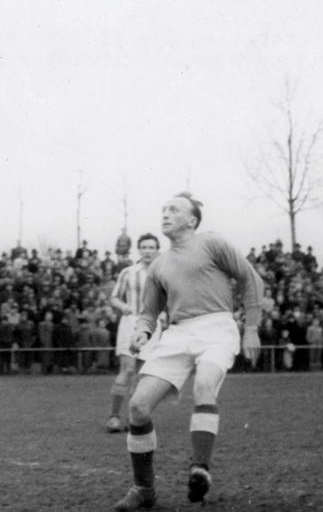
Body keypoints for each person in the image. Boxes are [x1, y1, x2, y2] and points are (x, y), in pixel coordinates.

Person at [112, 193, 262, 510]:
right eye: (163, 208)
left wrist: (251, 328)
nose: (165, 213)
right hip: (178, 333)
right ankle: (143, 489)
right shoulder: (159, 265)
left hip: (217, 327)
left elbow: (251, 278)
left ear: (191, 220)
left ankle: (200, 469)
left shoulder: (212, 243)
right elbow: (149, 311)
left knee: (205, 384)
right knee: (138, 406)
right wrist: (141, 330)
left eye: (174, 209)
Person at [105, 233, 162, 432]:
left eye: (151, 247)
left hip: (152, 326)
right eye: (144, 247)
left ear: (157, 250)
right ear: (139, 250)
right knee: (127, 369)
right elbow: (114, 298)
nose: (147, 251)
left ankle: (134, 417)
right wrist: (124, 307)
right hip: (131, 322)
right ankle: (113, 416)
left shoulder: (163, 273)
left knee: (144, 374)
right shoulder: (128, 272)